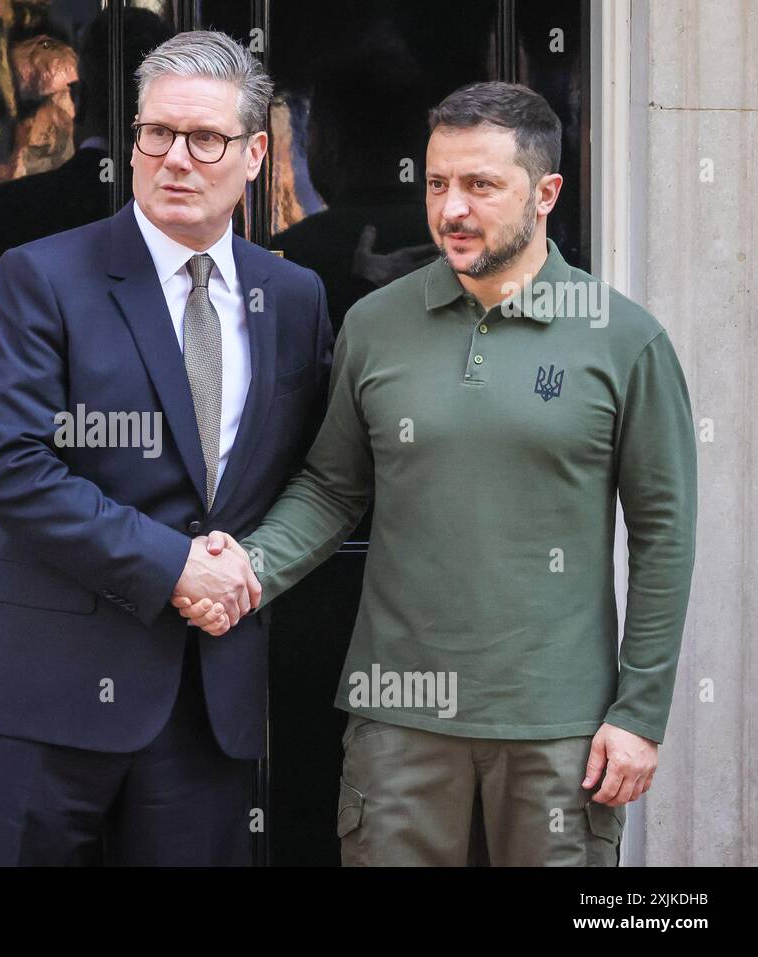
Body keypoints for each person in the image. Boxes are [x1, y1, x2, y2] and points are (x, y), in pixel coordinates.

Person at [177, 81, 697, 866]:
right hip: (397, 727)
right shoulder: (375, 324)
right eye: (438, 183)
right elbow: (331, 488)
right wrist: (246, 567)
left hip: (561, 732)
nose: (452, 209)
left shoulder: (625, 339)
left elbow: (665, 534)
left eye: (481, 185)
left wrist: (641, 711)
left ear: (546, 192)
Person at [0, 30, 331, 866]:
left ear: (256, 152)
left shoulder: (293, 297)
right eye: (156, 133)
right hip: (41, 695)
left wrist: (250, 567)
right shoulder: (42, 275)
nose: (175, 158)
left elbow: (314, 472)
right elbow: (8, 466)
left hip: (208, 705)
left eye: (206, 140)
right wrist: (176, 566)